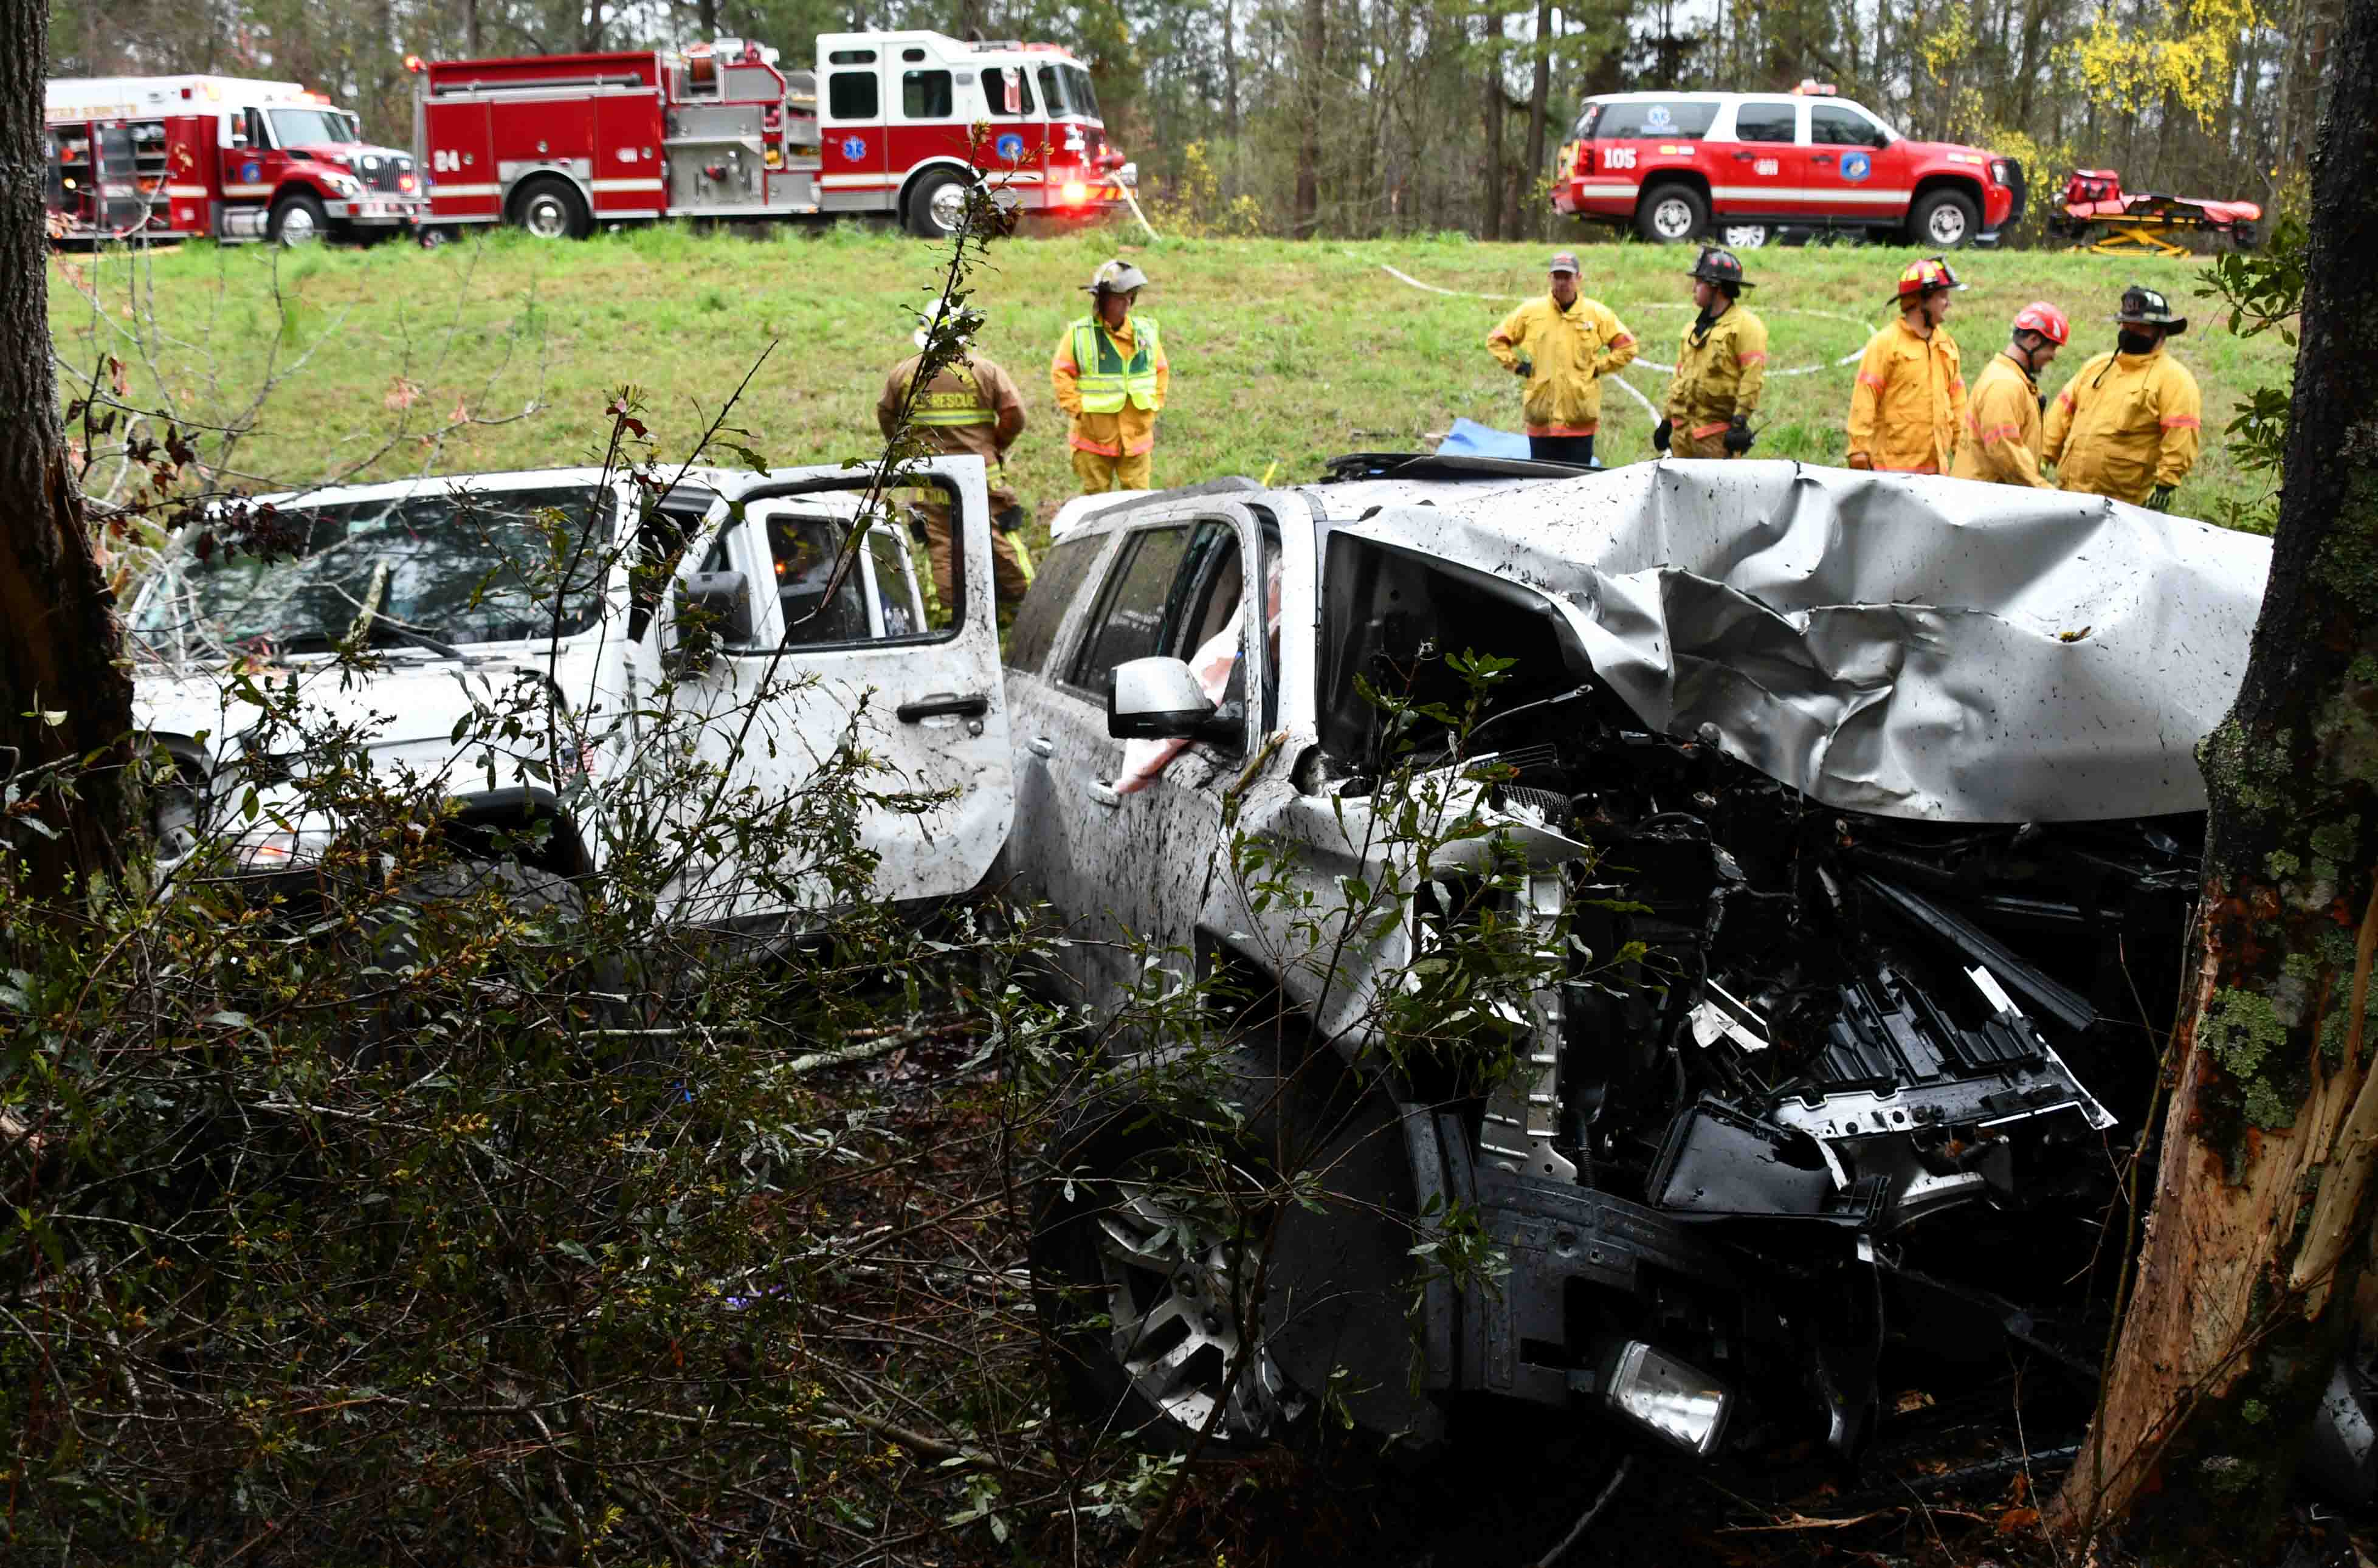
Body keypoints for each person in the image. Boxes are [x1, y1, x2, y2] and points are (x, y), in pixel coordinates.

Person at [876, 314, 1033, 608]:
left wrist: (908, 452)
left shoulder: (904, 374)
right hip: (981, 477)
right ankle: (1025, 604)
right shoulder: (984, 371)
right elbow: (1015, 414)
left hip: (929, 479)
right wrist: (995, 444)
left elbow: (886, 415)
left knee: (941, 545)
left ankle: (950, 614)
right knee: (998, 537)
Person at [2042, 284, 2203, 510]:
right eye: (2126, 324)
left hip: (2123, 508)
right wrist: (2043, 458)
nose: (2130, 330)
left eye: (2140, 327)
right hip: (2070, 496)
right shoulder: (2096, 367)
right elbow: (2060, 417)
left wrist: (2165, 486)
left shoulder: (2174, 380)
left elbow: (2180, 436)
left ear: (2161, 331)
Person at [1485, 250, 1638, 466]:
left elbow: (1628, 347)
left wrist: (1599, 367)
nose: (1562, 282)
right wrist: (1519, 366)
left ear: (1578, 278)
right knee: (1541, 485)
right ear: (1550, 278)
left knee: (1578, 485)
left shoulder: (1597, 314)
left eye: (1567, 277)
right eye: (1557, 276)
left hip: (1580, 419)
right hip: (1542, 419)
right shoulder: (1531, 312)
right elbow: (1496, 340)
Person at [1052, 258, 1168, 495]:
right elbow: (1061, 373)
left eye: (1130, 297)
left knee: (1138, 504)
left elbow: (1160, 370)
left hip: (1136, 438)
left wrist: (1155, 404)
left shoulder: (1145, 332)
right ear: (1102, 300)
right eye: (1119, 298)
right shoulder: (1079, 334)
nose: (1126, 303)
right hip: (1093, 439)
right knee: (1095, 503)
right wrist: (1078, 410)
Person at [1847, 256, 1967, 475]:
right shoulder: (1886, 344)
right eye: (1942, 296)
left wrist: (1965, 451)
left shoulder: (1946, 345)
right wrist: (1859, 450)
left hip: (1937, 475)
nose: (1948, 303)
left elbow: (1958, 404)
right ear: (1921, 301)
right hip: (1893, 476)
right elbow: (1865, 397)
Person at [1656, 246, 1768, 459]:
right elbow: (1679, 379)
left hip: (1716, 438)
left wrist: (1740, 421)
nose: (1693, 289)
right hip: (1682, 436)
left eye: (1699, 283)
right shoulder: (1692, 330)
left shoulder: (1746, 326)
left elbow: (1752, 379)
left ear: (1716, 287)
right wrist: (1667, 421)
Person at [1950, 301, 2069, 489]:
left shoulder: (2014, 380)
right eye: (2052, 347)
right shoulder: (2004, 385)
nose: (2053, 356)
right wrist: (2044, 492)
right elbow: (2005, 451)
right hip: (1985, 504)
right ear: (2033, 341)